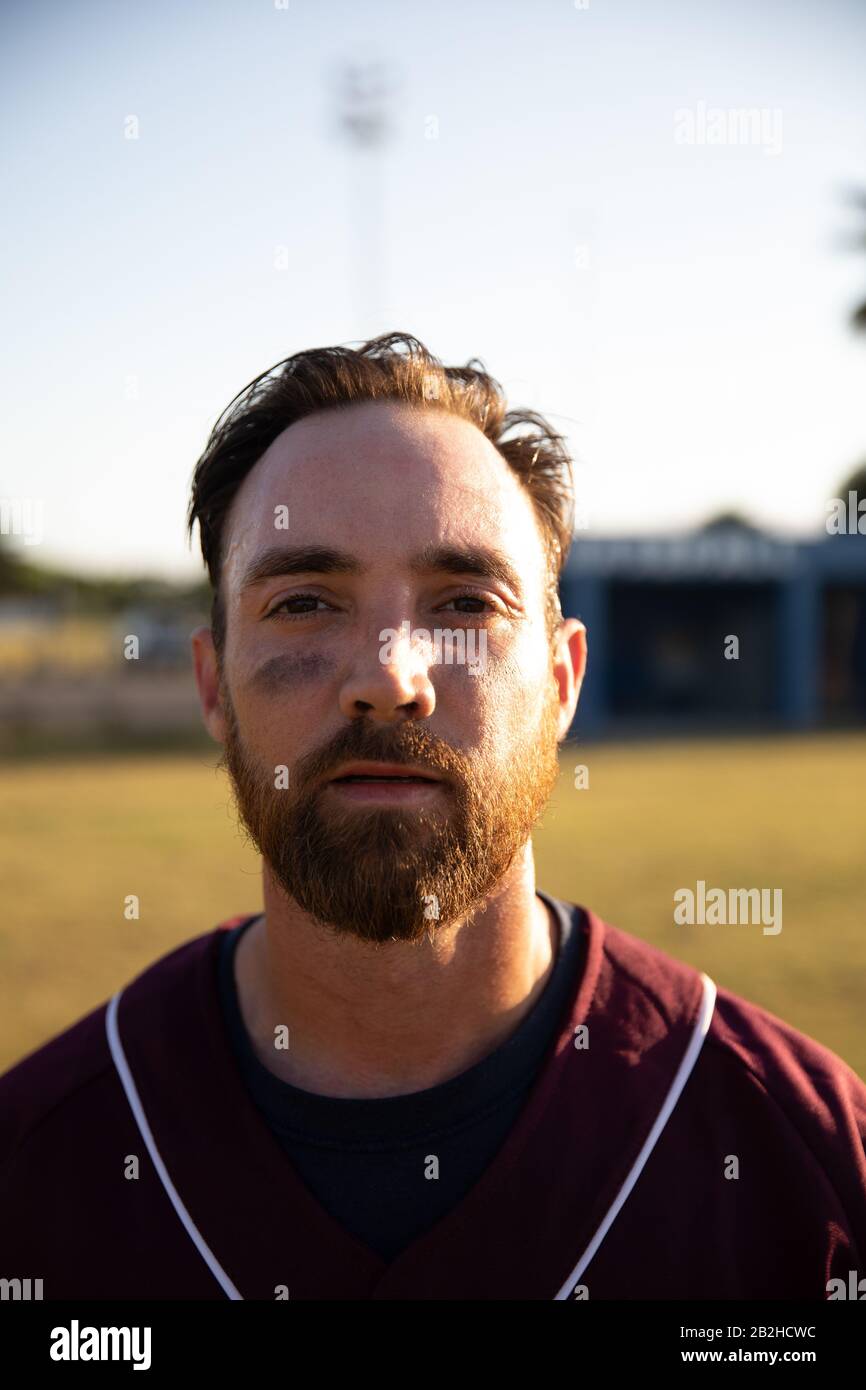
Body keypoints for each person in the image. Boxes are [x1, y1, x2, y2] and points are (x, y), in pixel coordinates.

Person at [1, 333, 864, 1301]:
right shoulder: (38, 1171)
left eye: (461, 601)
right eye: (302, 602)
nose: (386, 679)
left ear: (562, 680)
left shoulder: (813, 1173)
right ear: (213, 686)